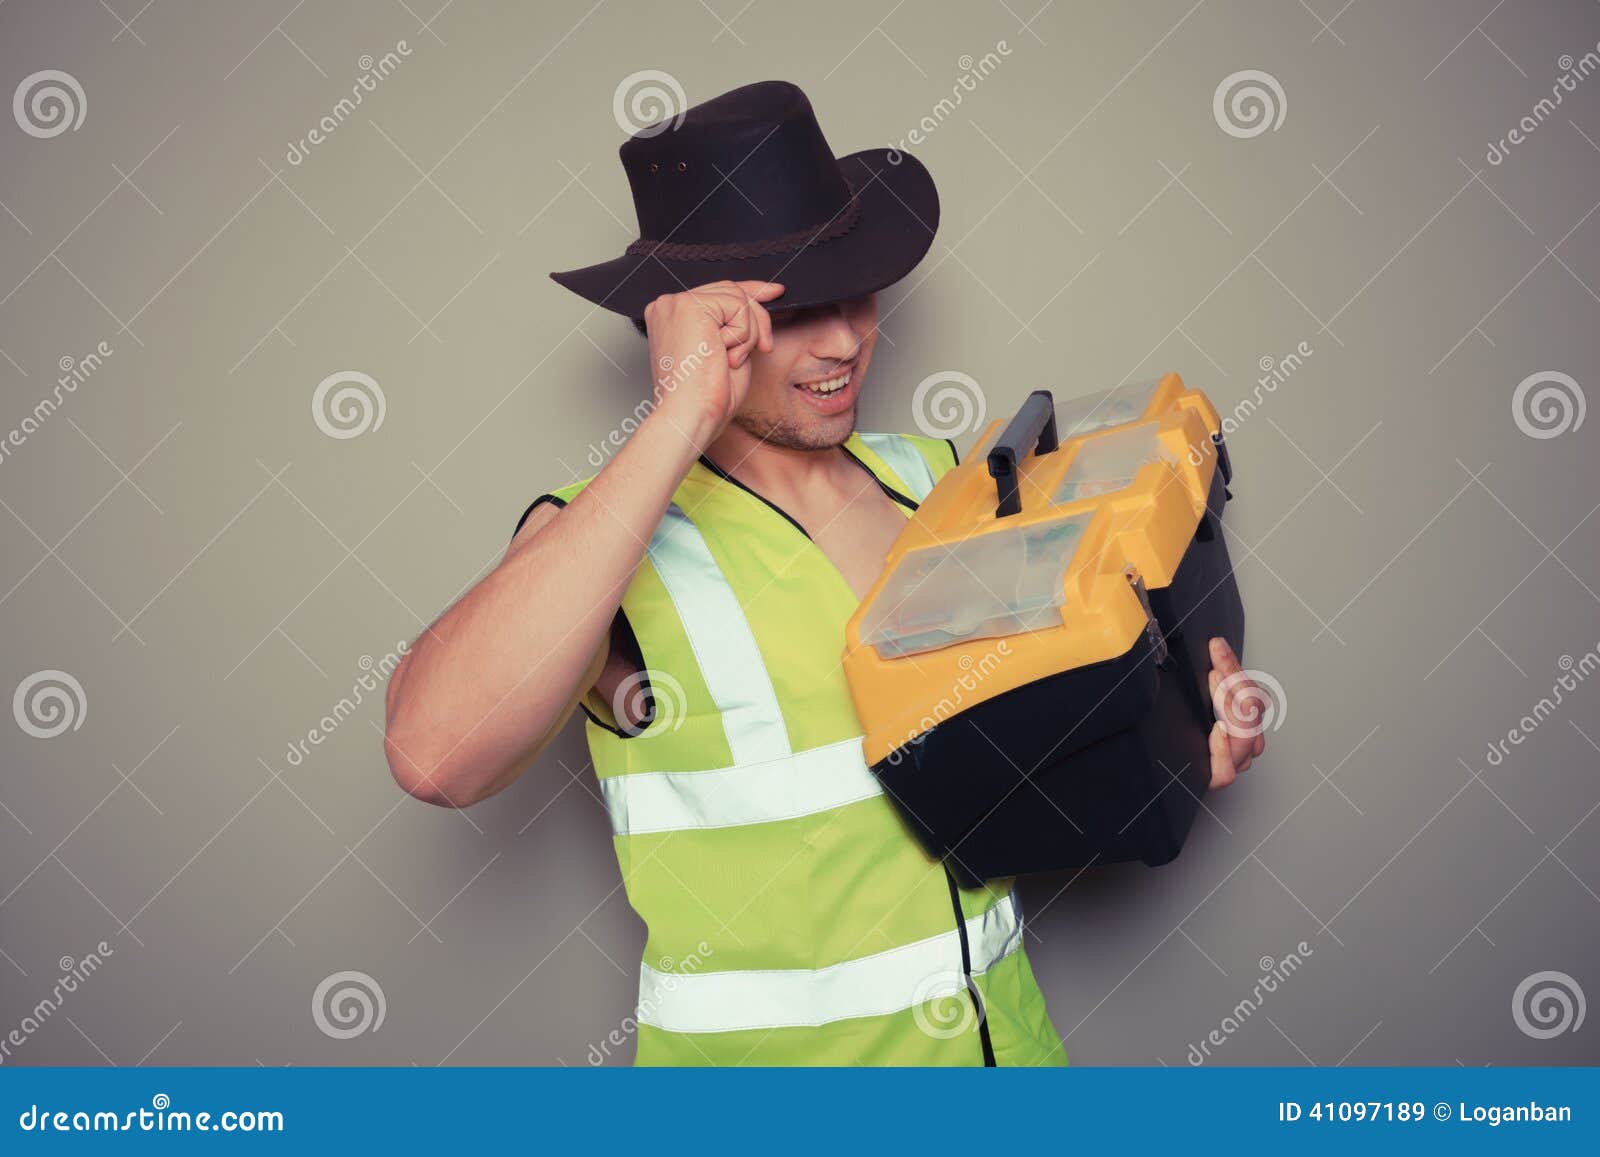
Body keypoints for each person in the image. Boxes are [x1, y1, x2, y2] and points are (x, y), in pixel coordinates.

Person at [382, 80, 1265, 1066]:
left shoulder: (943, 482)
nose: (843, 338)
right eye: (792, 308)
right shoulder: (596, 540)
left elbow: (1023, 746)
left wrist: (1182, 729)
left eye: (854, 288)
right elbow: (434, 755)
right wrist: (678, 416)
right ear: (683, 323)